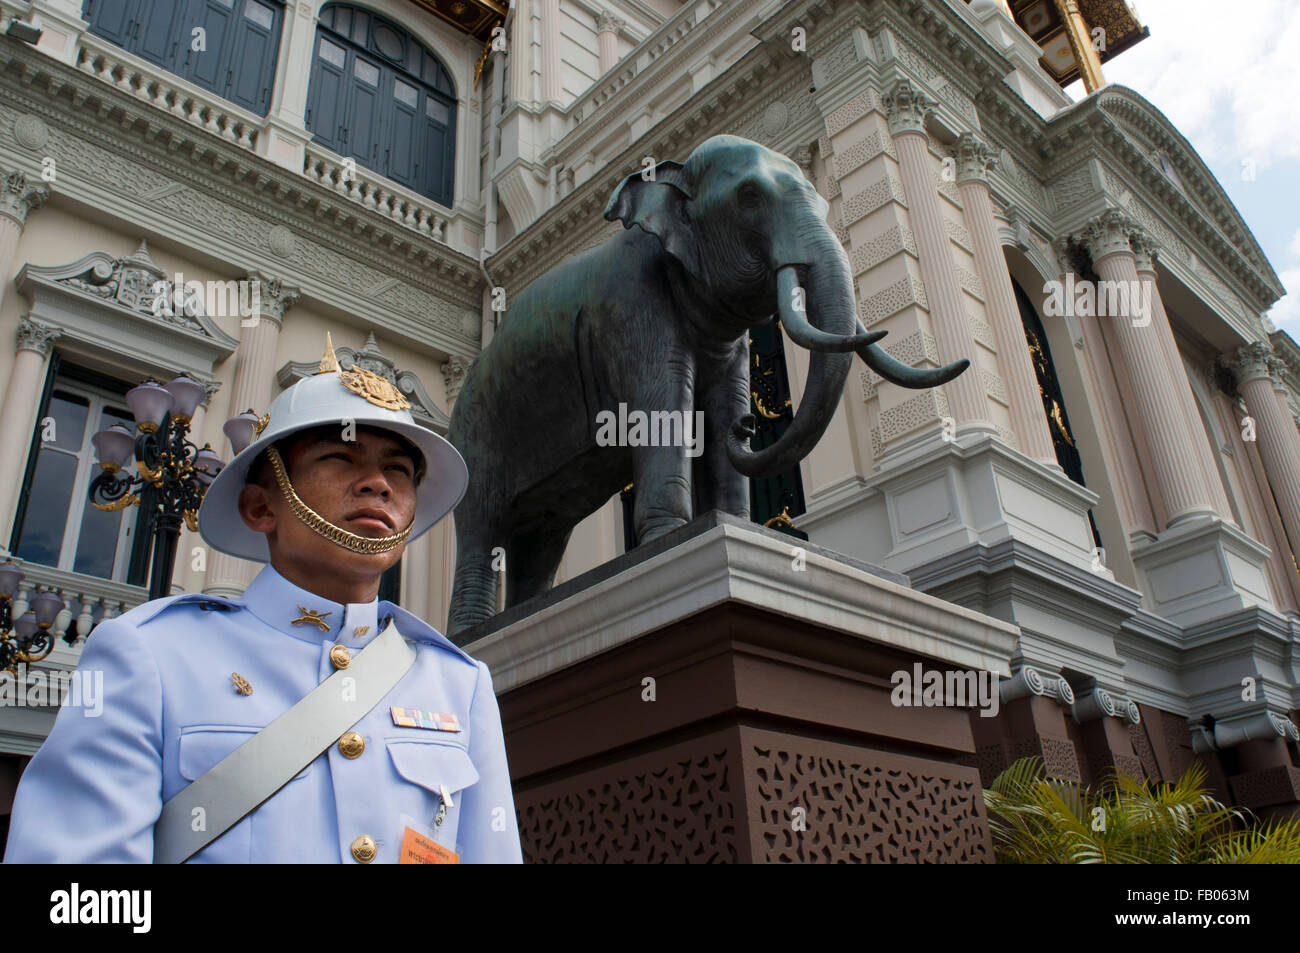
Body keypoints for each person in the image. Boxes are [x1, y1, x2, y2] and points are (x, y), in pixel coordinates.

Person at [3, 336, 523, 863]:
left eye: (398, 471)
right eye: (340, 458)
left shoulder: (458, 683)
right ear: (259, 508)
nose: (376, 484)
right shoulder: (152, 656)